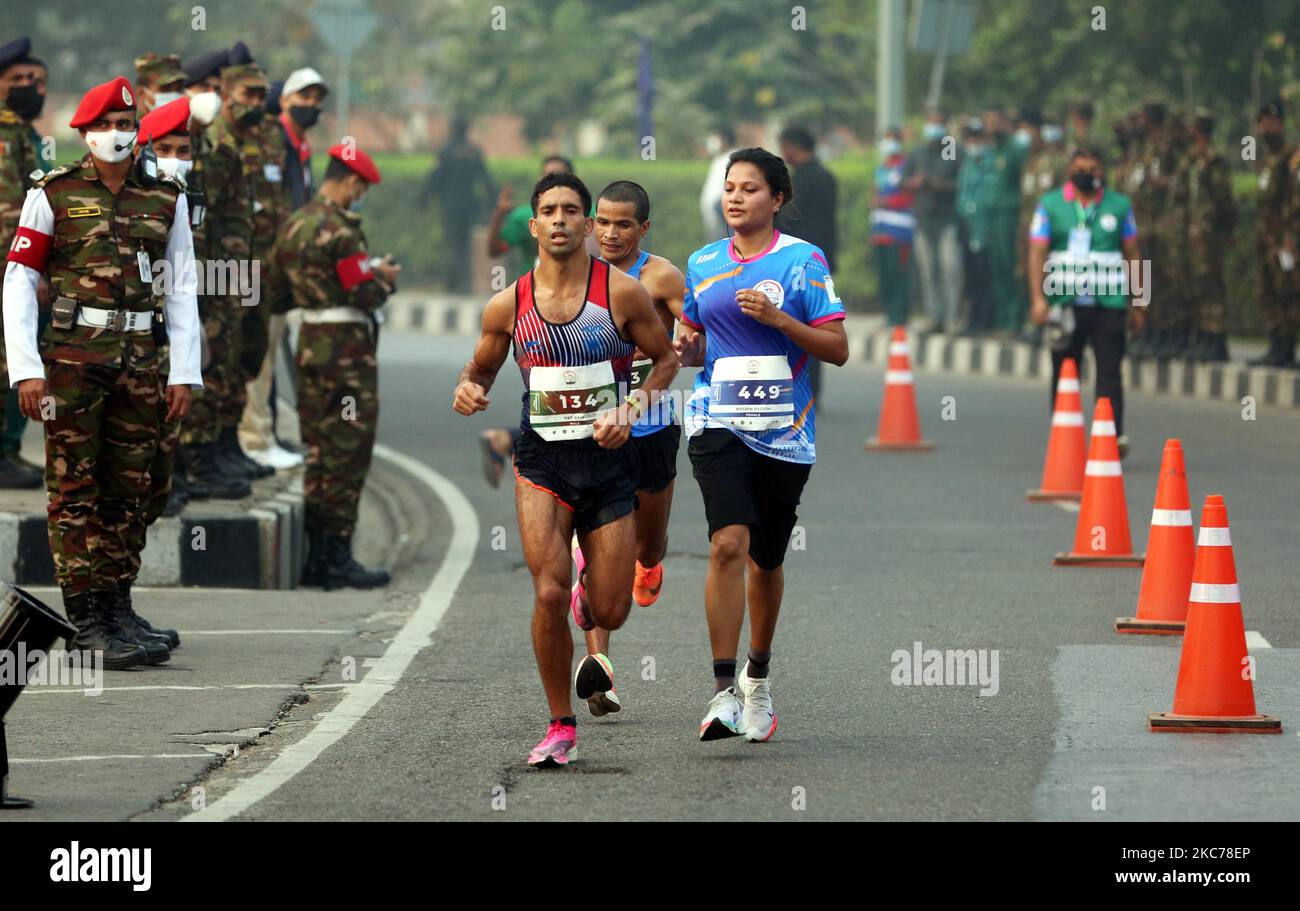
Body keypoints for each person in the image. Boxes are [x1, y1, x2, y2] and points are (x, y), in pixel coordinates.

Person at [452, 172, 677, 766]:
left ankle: (592, 599)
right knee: (547, 589)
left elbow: (666, 359)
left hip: (609, 463)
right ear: (533, 225)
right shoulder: (509, 304)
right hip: (542, 462)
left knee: (611, 611)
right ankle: (560, 725)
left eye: (571, 210)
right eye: (548, 210)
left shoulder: (622, 293)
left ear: (588, 223)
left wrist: (630, 410)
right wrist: (469, 389)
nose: (559, 219)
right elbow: (479, 370)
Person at [3, 76, 201, 668]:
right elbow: (17, 280)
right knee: (73, 491)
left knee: (131, 489)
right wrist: (24, 368)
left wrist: (183, 372)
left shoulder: (166, 197)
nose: (117, 135)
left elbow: (183, 287)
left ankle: (117, 607)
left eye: (125, 124)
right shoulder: (53, 193)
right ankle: (86, 619)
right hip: (70, 364)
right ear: (85, 133)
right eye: (105, 126)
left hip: (142, 363)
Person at [676, 148, 848, 743]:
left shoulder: (805, 262)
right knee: (728, 542)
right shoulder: (702, 263)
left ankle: (759, 674)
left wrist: (779, 322)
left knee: (765, 559)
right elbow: (696, 341)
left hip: (785, 430)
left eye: (749, 189)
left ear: (776, 199)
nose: (734, 198)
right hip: (716, 419)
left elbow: (837, 347)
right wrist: (685, 349)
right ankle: (723, 690)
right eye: (729, 187)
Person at [568, 179, 687, 716]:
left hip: (651, 426)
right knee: (599, 546)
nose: (611, 234)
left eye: (624, 224)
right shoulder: (573, 274)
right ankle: (601, 675)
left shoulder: (659, 275)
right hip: (594, 431)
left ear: (643, 228)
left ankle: (647, 563)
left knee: (647, 544)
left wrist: (690, 339)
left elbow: (697, 333)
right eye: (603, 222)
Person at [265, 145, 398, 589]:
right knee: (347, 452)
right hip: (347, 357)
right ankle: (336, 555)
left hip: (310, 349)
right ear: (352, 182)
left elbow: (277, 294)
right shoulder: (340, 230)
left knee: (319, 449)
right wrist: (384, 281)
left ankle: (316, 555)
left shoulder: (293, 225)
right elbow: (363, 293)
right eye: (361, 187)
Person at [177, 57, 270, 499]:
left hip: (233, 270)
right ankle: (196, 457)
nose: (256, 103)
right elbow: (201, 220)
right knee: (206, 360)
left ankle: (219, 443)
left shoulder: (236, 142)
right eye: (249, 93)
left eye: (261, 95)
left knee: (230, 357)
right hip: (206, 272)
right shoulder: (208, 142)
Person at [238, 66, 329, 471]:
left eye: (316, 98)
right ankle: (254, 437)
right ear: (285, 99)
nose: (311, 105)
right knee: (259, 356)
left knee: (271, 351)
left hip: (282, 266)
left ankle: (264, 433)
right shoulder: (273, 141)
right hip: (262, 265)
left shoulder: (298, 146)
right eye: (303, 97)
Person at [1028, 148, 1144, 456]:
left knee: (1109, 372)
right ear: (1070, 171)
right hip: (1064, 303)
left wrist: (1140, 301)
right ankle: (1063, 436)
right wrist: (1038, 299)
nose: (1087, 173)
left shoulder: (1120, 206)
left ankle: (1111, 437)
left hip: (1109, 303)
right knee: (1065, 370)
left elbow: (1133, 253)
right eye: (1081, 168)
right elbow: (1037, 252)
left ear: (1102, 171)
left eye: (1093, 168)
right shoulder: (1050, 205)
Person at [0, 36, 47, 488]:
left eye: (36, 79)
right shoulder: (4, 133)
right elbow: (8, 211)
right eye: (18, 80)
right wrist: (25, 273)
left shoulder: (27, 132)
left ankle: (9, 449)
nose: (31, 86)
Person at [777, 125, 838, 396]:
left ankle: (798, 386)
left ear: (793, 146)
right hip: (821, 259)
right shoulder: (827, 176)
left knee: (795, 326)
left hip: (797, 262)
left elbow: (788, 220)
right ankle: (813, 389)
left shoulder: (798, 181)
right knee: (818, 326)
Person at [1180, 110, 1236, 362]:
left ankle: (1216, 341)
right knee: (1197, 288)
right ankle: (1202, 337)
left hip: (1210, 235)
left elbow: (1224, 200)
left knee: (1212, 288)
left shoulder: (1215, 161)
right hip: (1194, 235)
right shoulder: (1192, 160)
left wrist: (1224, 230)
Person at [905, 110, 963, 335]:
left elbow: (960, 182)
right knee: (928, 271)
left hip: (947, 220)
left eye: (938, 124)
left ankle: (952, 318)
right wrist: (916, 182)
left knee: (950, 270)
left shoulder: (950, 151)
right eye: (931, 124)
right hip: (923, 220)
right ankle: (933, 316)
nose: (934, 129)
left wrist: (934, 183)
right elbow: (904, 180)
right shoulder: (918, 153)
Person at [1251, 99, 1298, 368]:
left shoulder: (1291, 159)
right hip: (1266, 239)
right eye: (1261, 123)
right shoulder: (1265, 161)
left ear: (1280, 124)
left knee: (1286, 293)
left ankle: (1286, 348)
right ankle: (1275, 345)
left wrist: (1291, 239)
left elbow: (1293, 201)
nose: (1265, 128)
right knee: (1268, 291)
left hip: (1284, 240)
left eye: (1270, 122)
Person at [423, 115, 494, 293]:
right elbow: (485, 179)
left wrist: (423, 198)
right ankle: (464, 282)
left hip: (450, 206)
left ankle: (452, 283)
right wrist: (492, 201)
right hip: (469, 206)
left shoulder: (446, 152)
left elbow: (435, 178)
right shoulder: (473, 152)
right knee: (465, 244)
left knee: (452, 243)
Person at [869, 127, 914, 327]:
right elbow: (876, 193)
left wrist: (886, 202)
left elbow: (909, 196)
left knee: (898, 276)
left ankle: (900, 317)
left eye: (893, 139)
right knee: (884, 276)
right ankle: (889, 316)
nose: (888, 144)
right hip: (880, 231)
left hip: (899, 231)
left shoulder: (906, 166)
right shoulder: (882, 167)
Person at [957, 118, 995, 334]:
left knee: (984, 275)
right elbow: (962, 194)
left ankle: (985, 319)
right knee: (970, 275)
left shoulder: (991, 161)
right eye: (969, 137)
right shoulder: (967, 162)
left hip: (985, 228)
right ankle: (972, 319)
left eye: (976, 137)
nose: (972, 141)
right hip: (967, 227)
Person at [699, 126, 738, 241]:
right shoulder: (719, 158)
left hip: (724, 218)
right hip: (714, 220)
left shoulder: (733, 158)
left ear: (725, 139)